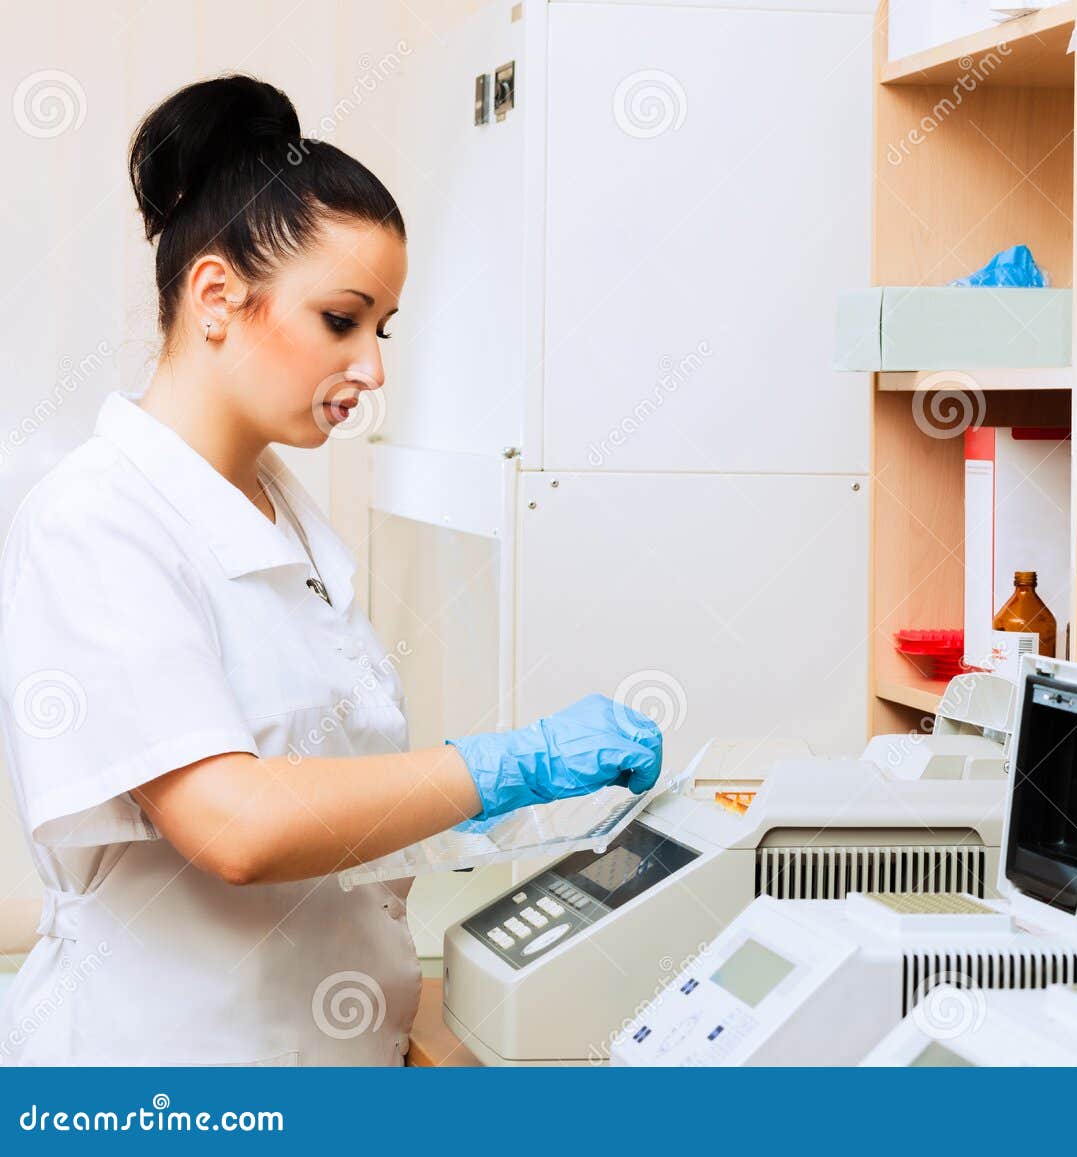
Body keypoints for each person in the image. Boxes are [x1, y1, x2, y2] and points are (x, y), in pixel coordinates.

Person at [0, 75, 662, 1065]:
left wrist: (532, 808)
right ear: (217, 297)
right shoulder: (97, 519)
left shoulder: (279, 514)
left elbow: (329, 805)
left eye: (381, 329)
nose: (373, 369)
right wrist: (501, 765)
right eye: (342, 320)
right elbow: (235, 826)